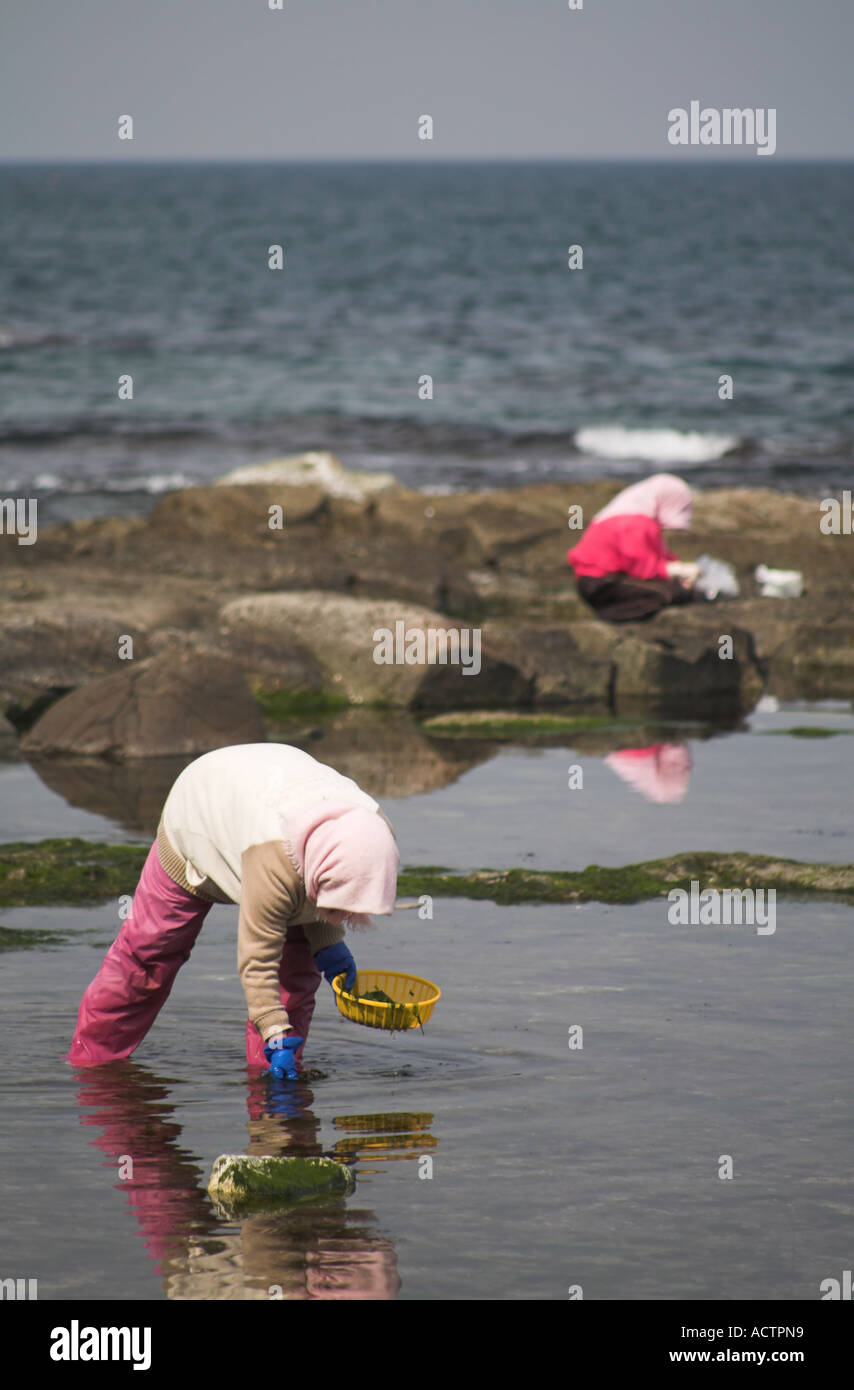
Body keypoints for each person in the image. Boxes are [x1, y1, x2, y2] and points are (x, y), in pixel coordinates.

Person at [66, 743, 400, 1070]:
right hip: (200, 816)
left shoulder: (372, 830)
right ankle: (94, 1062)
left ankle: (269, 1086)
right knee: (150, 957)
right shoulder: (270, 856)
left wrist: (328, 943)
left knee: (298, 974)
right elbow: (257, 960)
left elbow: (331, 883)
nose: (344, 915)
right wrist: (272, 1028)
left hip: (272, 807)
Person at [567, 473, 699, 622]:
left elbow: (654, 555)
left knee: (674, 589)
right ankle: (614, 617)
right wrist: (678, 571)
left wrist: (676, 570)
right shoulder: (634, 522)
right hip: (600, 582)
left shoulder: (638, 515)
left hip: (602, 580)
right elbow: (641, 567)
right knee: (668, 592)